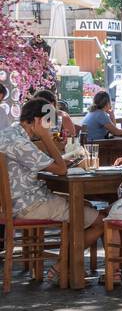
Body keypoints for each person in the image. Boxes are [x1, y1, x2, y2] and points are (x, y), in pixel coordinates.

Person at [0, 97, 105, 258]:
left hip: (14, 203)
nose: (50, 128)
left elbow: (42, 160)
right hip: (28, 204)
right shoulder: (21, 143)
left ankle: (65, 266)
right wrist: (46, 137)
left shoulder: (8, 134)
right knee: (101, 220)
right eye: (47, 123)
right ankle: (63, 266)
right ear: (37, 120)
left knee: (83, 204)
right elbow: (61, 170)